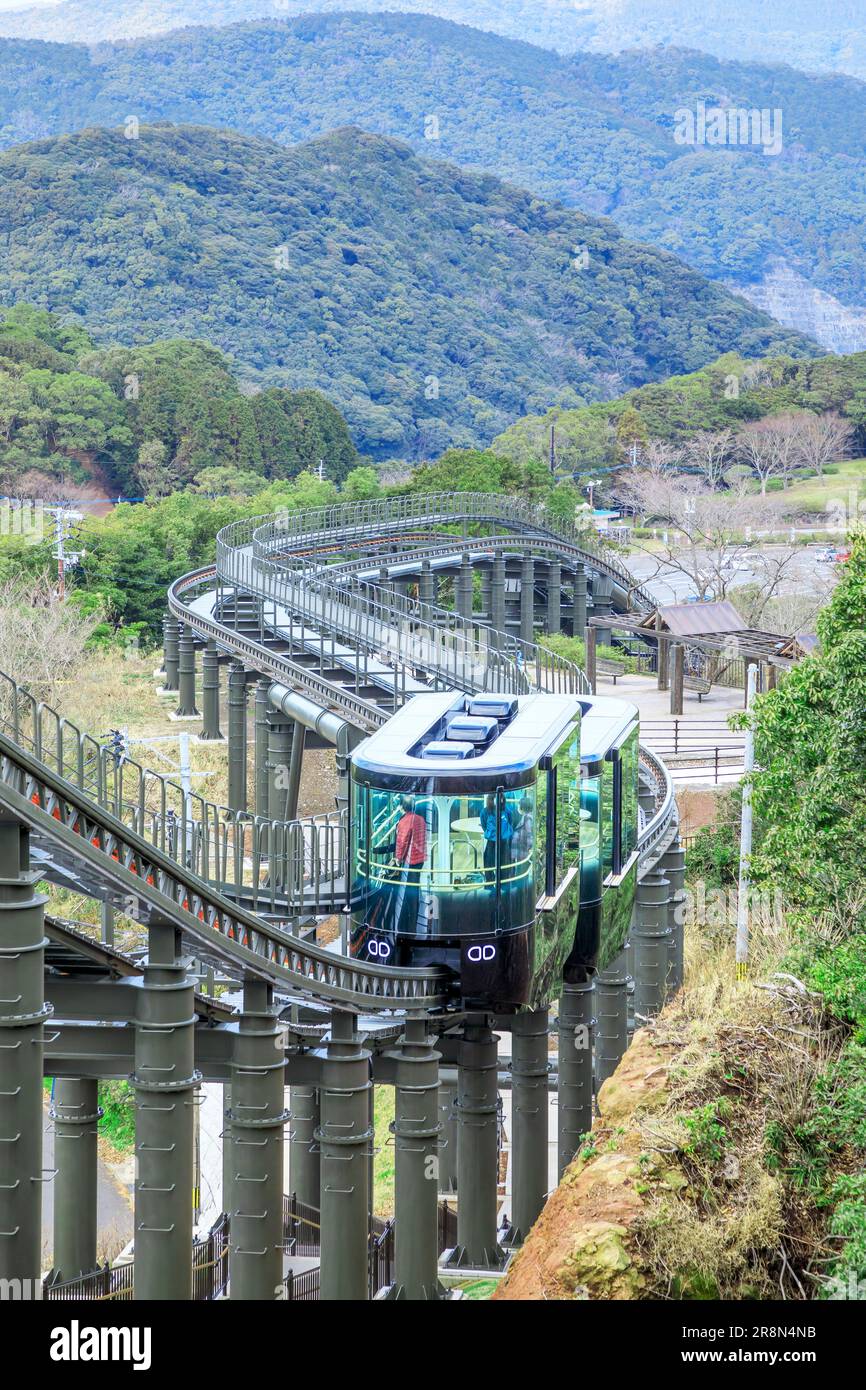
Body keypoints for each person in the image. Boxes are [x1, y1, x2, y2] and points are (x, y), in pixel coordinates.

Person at [394, 795, 427, 931]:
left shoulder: (405, 821)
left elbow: (402, 842)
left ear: (402, 807)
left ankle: (409, 918)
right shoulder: (421, 819)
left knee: (408, 889)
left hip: (410, 859)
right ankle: (414, 912)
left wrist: (398, 858)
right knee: (415, 884)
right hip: (420, 858)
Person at [480, 792, 512, 882]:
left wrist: (491, 833)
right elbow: (510, 822)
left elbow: (484, 826)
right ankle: (502, 886)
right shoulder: (506, 810)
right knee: (503, 864)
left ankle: (490, 885)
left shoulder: (485, 811)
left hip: (492, 841)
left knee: (489, 864)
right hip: (502, 841)